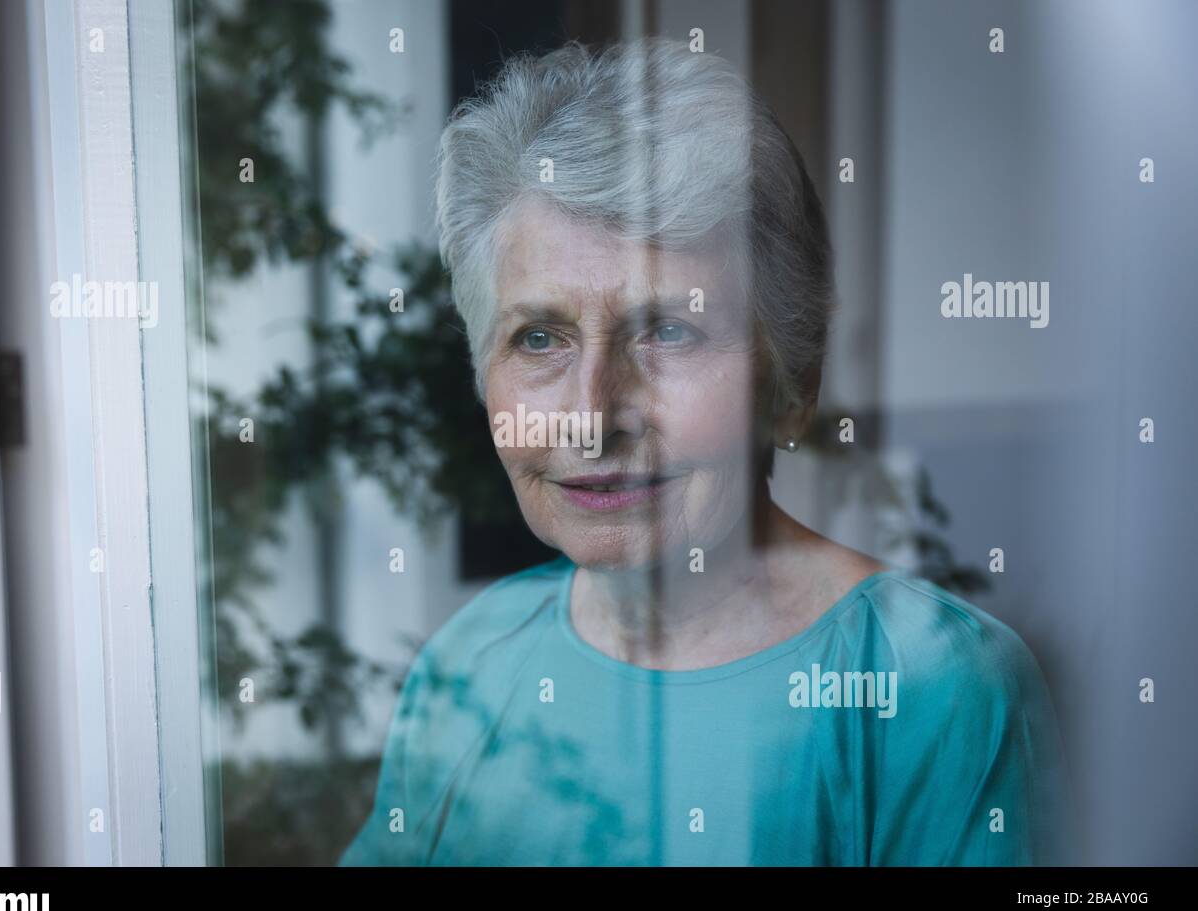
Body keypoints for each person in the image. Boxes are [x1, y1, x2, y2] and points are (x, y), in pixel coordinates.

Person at [339, 38, 1068, 866]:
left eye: (668, 332)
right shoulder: (468, 662)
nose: (590, 416)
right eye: (538, 338)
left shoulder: (939, 689)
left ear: (792, 382)